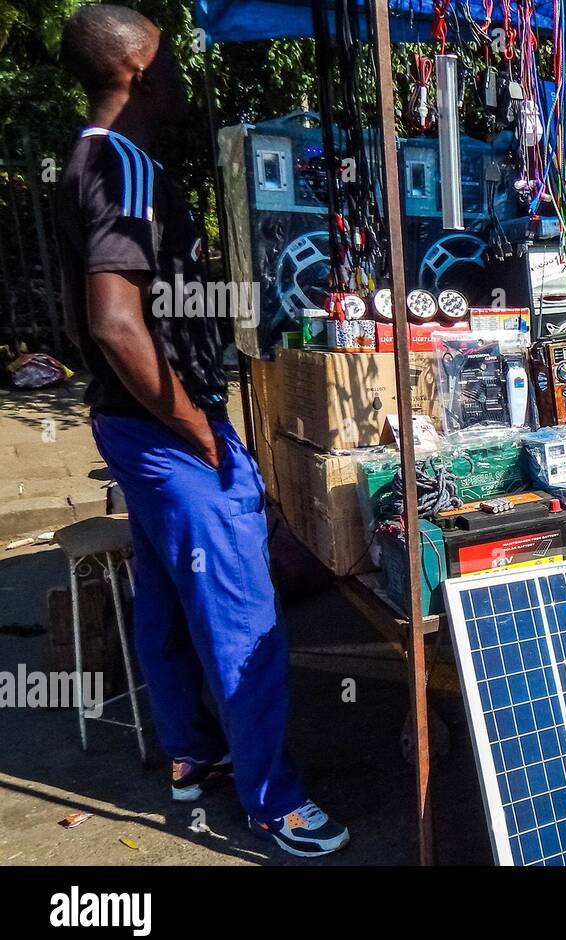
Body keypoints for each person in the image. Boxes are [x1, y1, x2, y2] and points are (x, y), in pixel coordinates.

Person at [56, 5, 349, 857]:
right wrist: (196, 428)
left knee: (165, 594)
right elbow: (115, 322)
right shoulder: (123, 165)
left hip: (128, 424)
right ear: (140, 67)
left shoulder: (80, 161)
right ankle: (273, 803)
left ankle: (191, 755)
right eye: (172, 56)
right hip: (167, 431)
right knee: (240, 616)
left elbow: (94, 315)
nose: (183, 70)